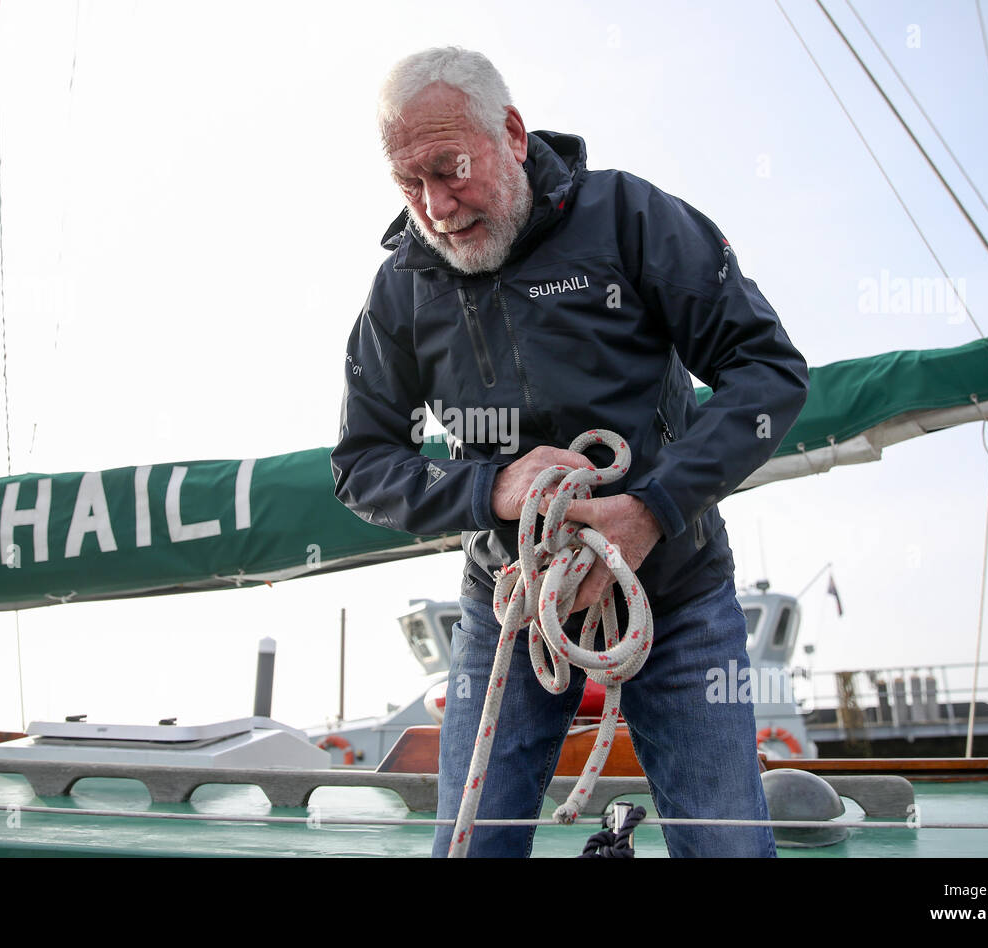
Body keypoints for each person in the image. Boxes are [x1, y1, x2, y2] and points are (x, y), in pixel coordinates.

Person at [331, 47, 810, 858]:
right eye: (410, 184)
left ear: (512, 135)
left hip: (677, 594)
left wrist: (651, 509)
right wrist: (492, 490)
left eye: (451, 170)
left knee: (725, 845)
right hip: (508, 608)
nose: (436, 207)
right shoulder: (403, 289)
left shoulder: (629, 218)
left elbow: (768, 373)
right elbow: (361, 466)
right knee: (471, 845)